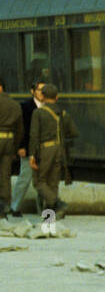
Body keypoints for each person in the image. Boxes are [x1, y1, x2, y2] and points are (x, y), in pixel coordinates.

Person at [26, 84, 77, 217]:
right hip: (59, 150)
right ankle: (49, 221)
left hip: (45, 150)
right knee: (53, 183)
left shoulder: (38, 113)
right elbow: (74, 132)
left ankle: (56, 203)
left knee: (39, 182)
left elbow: (34, 135)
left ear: (42, 96)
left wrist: (31, 155)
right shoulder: (63, 113)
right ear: (57, 97)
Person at [7, 80, 43, 217]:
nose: (41, 93)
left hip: (45, 150)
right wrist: (21, 146)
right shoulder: (25, 107)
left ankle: (43, 210)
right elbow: (21, 128)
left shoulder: (49, 106)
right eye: (39, 90)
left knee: (43, 181)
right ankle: (14, 207)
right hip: (28, 148)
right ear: (32, 91)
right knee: (24, 178)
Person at [0, 79, 23, 217]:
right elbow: (20, 129)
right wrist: (15, 147)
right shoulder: (15, 104)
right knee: (5, 176)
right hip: (9, 140)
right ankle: (4, 207)